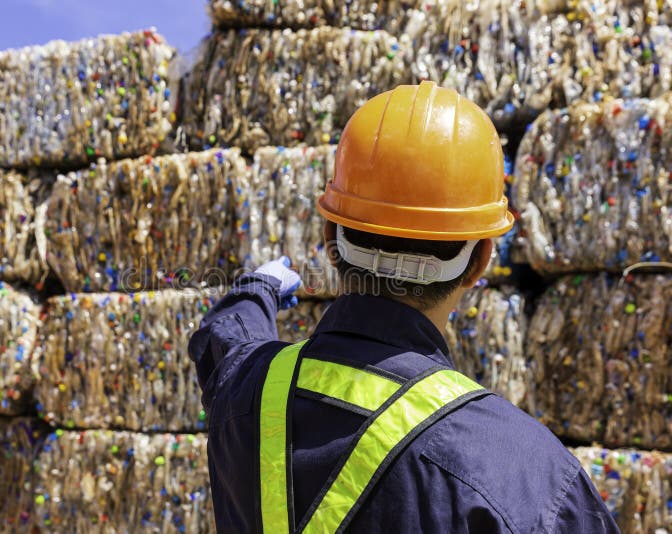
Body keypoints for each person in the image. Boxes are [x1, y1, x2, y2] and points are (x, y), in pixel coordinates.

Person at [188, 81, 618, 533]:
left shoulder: (246, 391)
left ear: (329, 243)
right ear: (480, 263)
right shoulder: (528, 475)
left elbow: (226, 338)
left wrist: (256, 289)